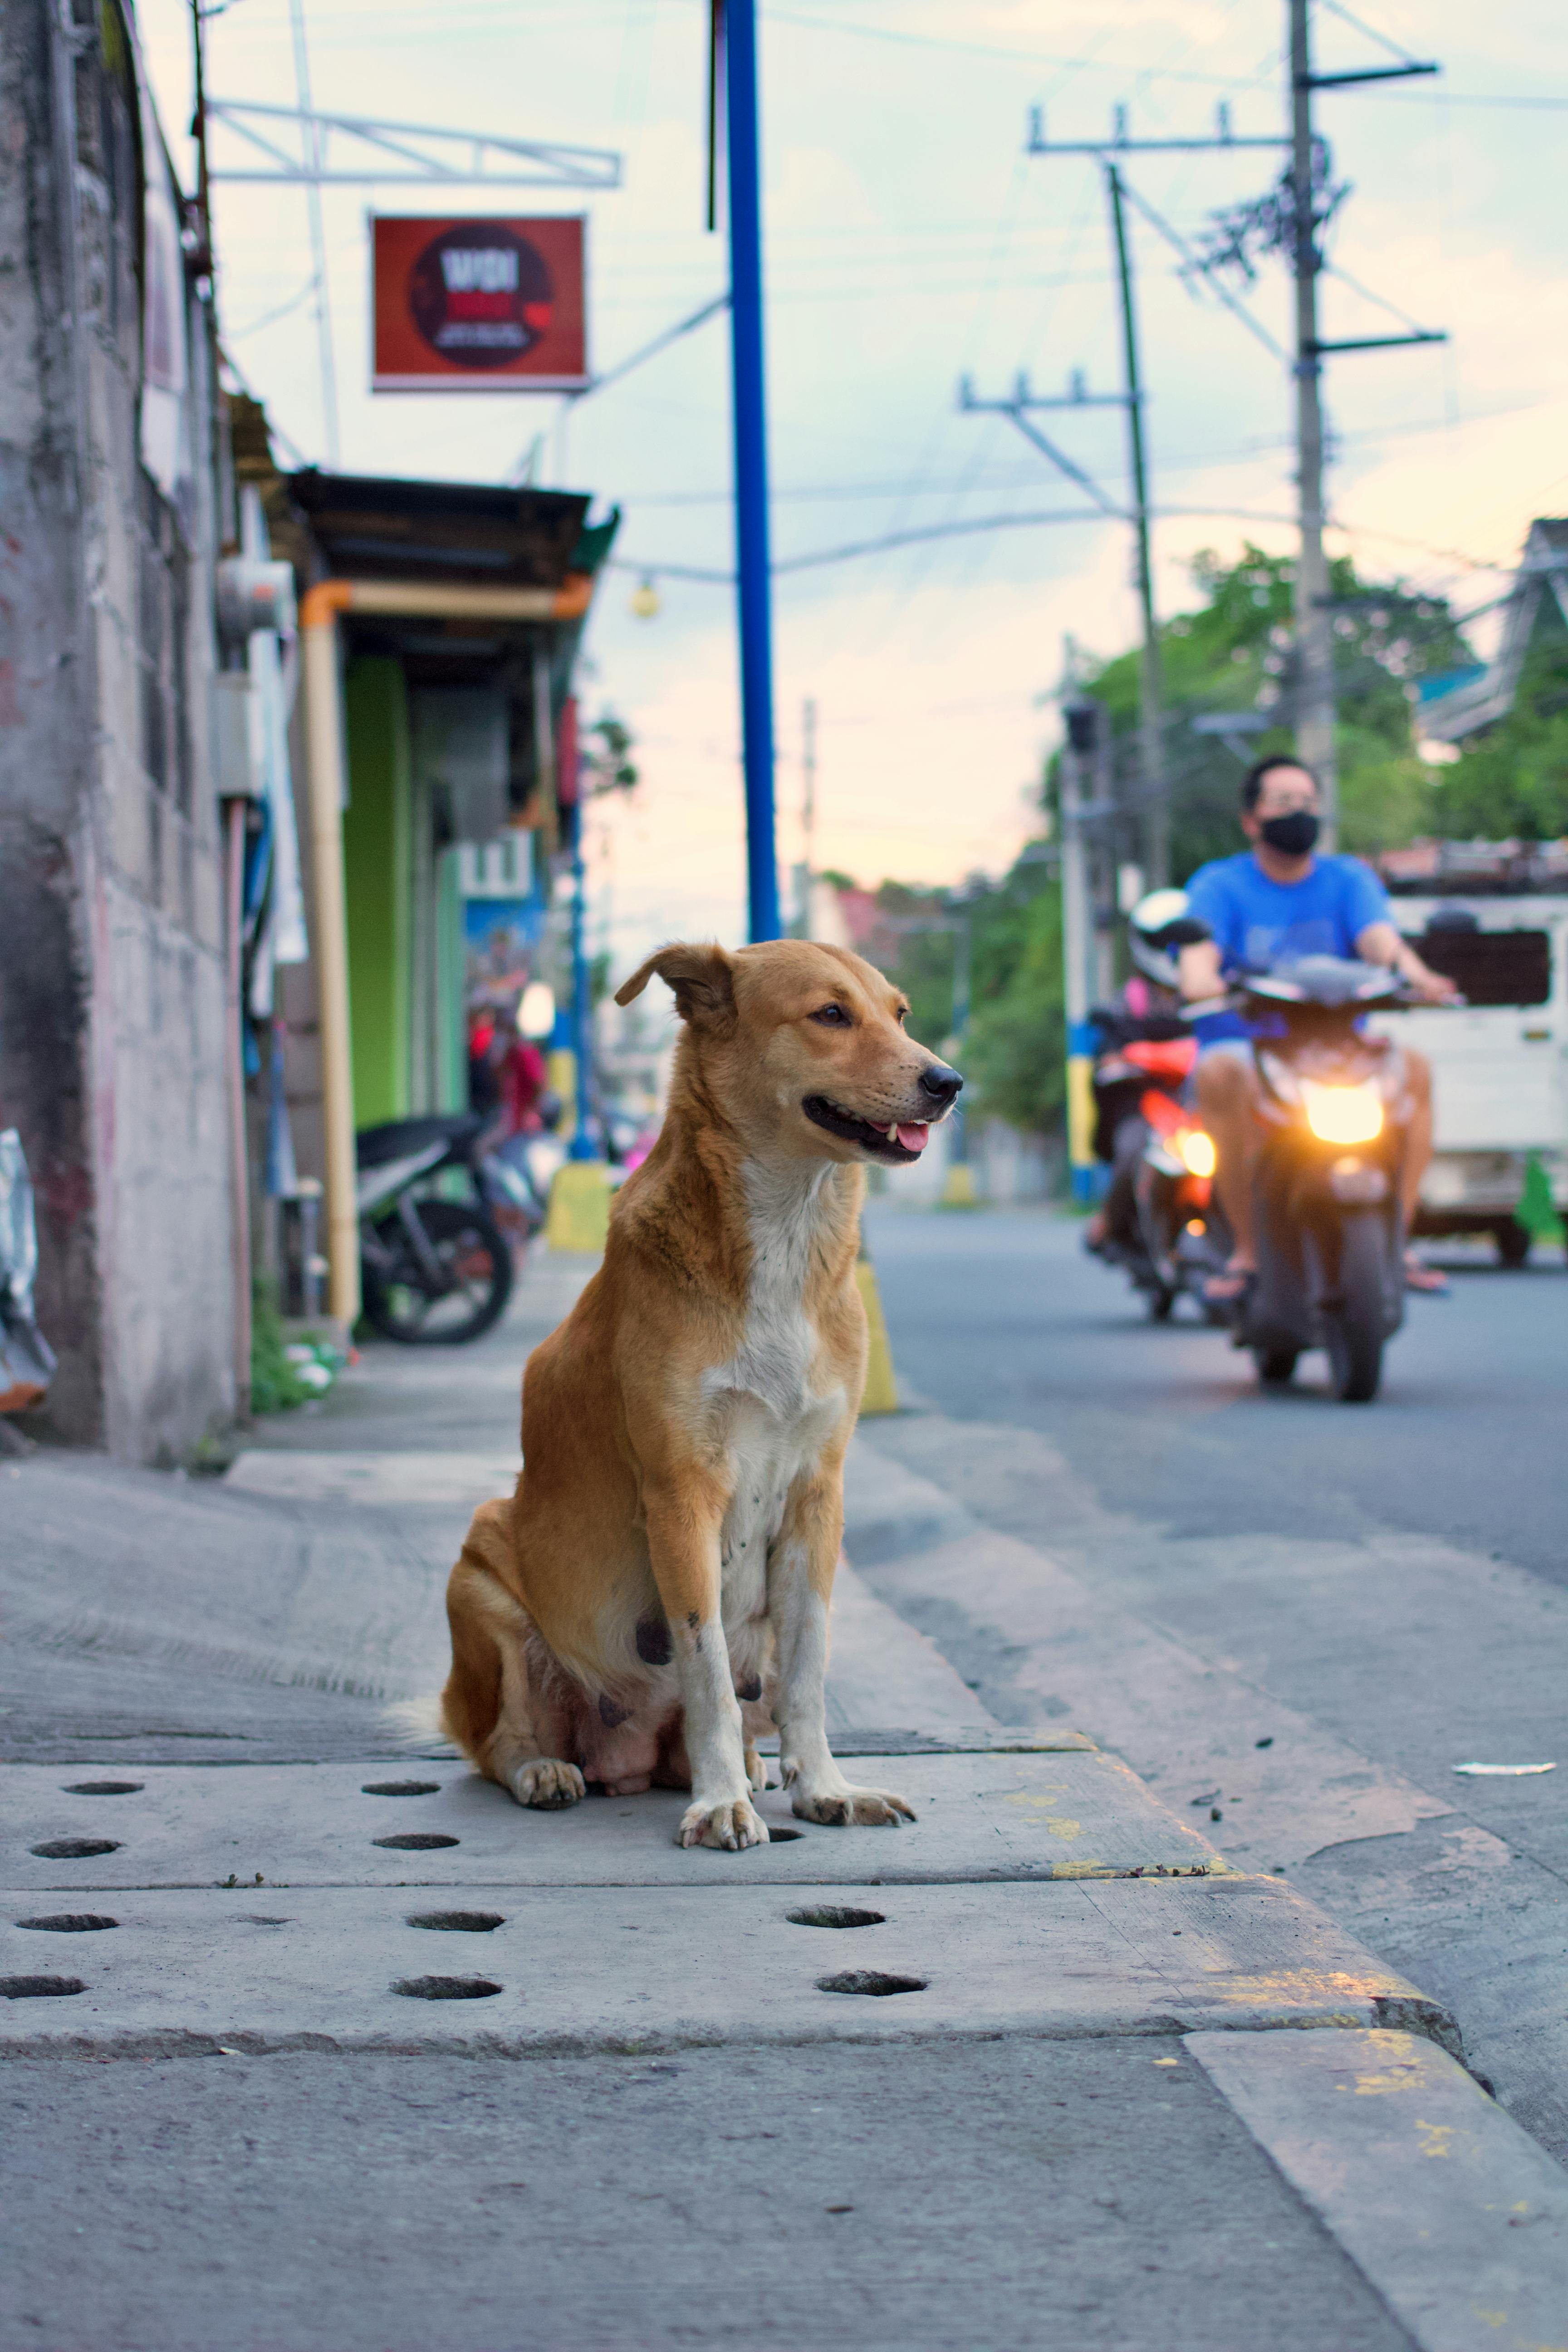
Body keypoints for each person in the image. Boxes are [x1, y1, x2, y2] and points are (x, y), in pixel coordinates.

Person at [1177, 755, 1458, 1299]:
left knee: (1417, 1068)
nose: (1298, 813)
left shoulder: (1348, 879)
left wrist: (1421, 977)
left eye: (1308, 803)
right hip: (1251, 1047)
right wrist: (1201, 980)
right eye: (1283, 803)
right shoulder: (1219, 885)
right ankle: (1248, 1252)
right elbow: (1198, 962)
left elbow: (1383, 943)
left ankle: (1396, 1240)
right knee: (1216, 1072)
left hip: (1341, 1048)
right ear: (1251, 819)